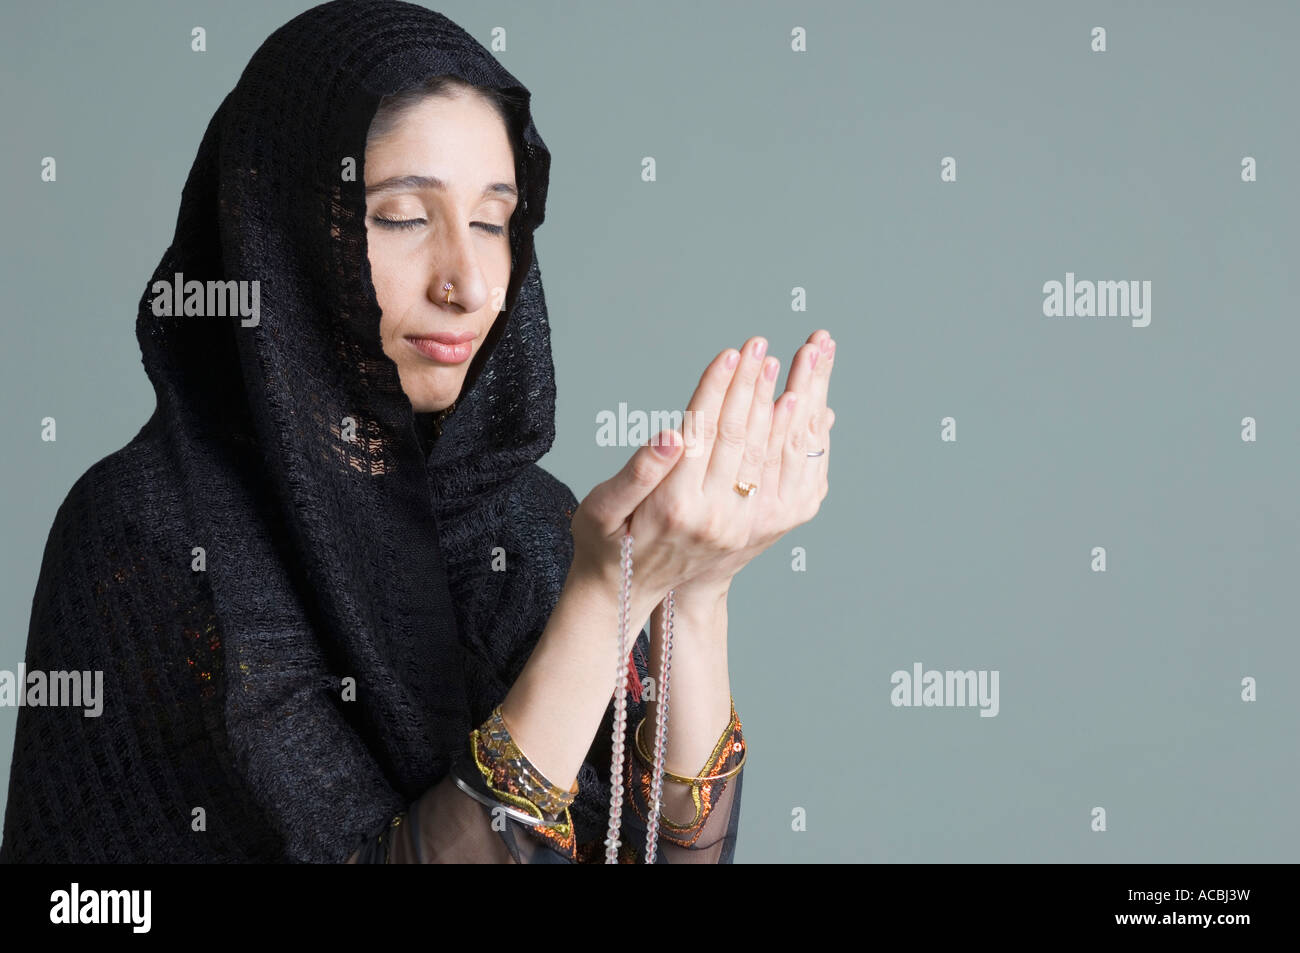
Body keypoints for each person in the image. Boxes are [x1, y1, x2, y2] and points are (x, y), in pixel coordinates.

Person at [0, 0, 836, 864]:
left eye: (492, 222)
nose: (468, 283)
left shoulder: (531, 525)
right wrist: (598, 605)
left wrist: (693, 598)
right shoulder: (150, 528)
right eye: (402, 216)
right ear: (281, 234)